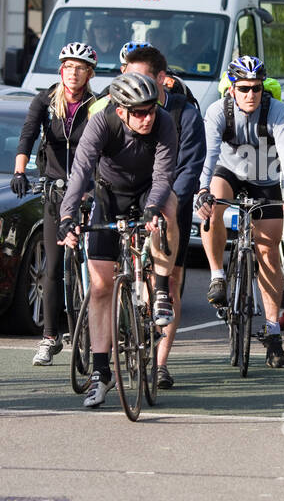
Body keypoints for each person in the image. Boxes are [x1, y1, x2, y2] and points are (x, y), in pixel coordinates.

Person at [57, 73, 179, 408]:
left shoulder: (164, 123)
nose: (147, 117)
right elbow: (81, 171)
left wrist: (153, 207)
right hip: (109, 195)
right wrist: (67, 217)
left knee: (168, 207)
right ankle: (101, 372)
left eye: (150, 109)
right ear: (121, 110)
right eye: (138, 112)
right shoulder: (102, 123)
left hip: (148, 192)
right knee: (100, 287)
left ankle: (160, 291)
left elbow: (164, 174)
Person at [195, 56, 284, 369]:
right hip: (228, 171)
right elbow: (209, 153)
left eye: (256, 88)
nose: (251, 95)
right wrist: (202, 190)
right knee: (212, 204)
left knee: (268, 251)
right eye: (243, 88)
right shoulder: (217, 111)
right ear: (231, 89)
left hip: (265, 177)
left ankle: (272, 330)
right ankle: (217, 275)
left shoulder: (277, 111)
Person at [117, 42, 204, 389]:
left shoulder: (186, 115)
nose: (131, 84)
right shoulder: (117, 108)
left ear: (162, 80)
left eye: (140, 78)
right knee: (123, 272)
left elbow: (188, 170)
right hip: (130, 196)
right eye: (127, 75)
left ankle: (160, 362)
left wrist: (167, 207)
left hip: (170, 203)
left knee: (169, 282)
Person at [13, 42, 100, 367]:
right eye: (67, 67)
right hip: (54, 191)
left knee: (93, 266)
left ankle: (96, 330)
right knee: (53, 265)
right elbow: (27, 135)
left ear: (89, 73)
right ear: (60, 70)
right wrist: (19, 171)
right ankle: (50, 337)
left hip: (89, 191)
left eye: (79, 68)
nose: (73, 72)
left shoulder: (95, 104)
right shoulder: (46, 101)